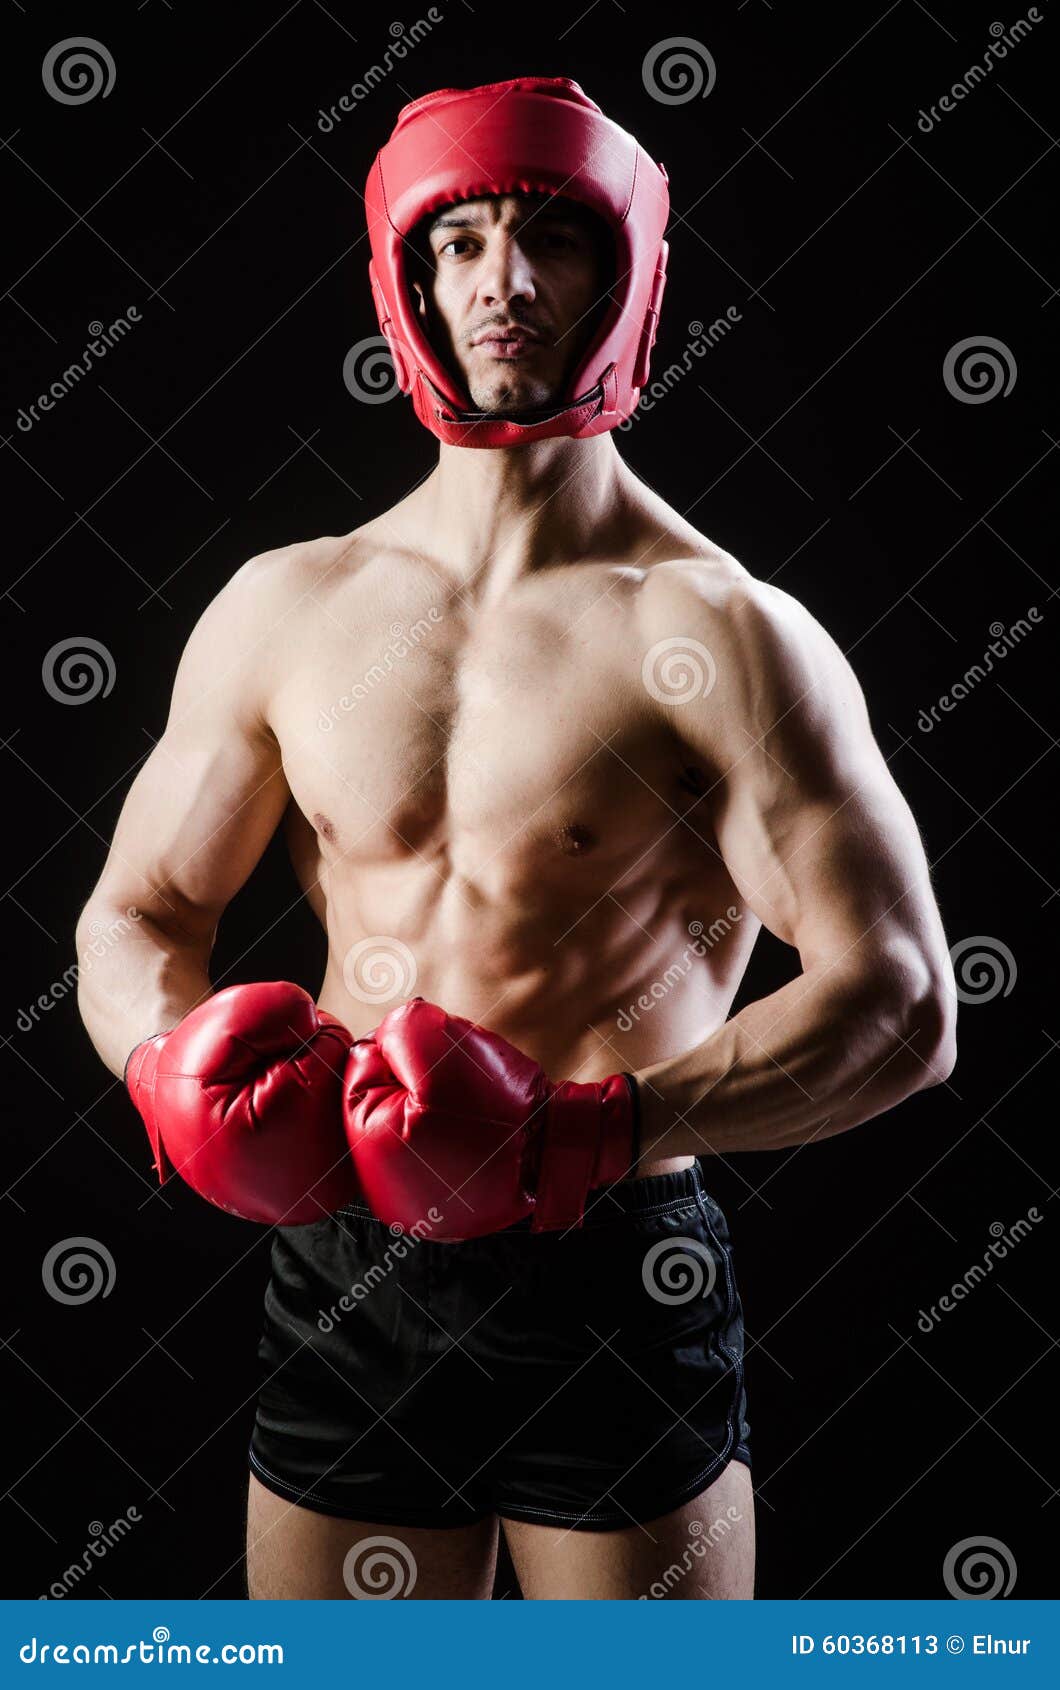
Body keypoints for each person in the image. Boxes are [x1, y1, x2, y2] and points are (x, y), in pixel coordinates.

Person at [77, 78, 957, 1600]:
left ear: (626, 277)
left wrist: (585, 1135)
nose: (505, 282)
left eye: (551, 238)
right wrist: (167, 1066)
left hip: (617, 1265)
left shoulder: (721, 632)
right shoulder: (291, 609)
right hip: (347, 1267)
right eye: (462, 241)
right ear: (405, 279)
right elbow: (135, 911)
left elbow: (903, 1000)